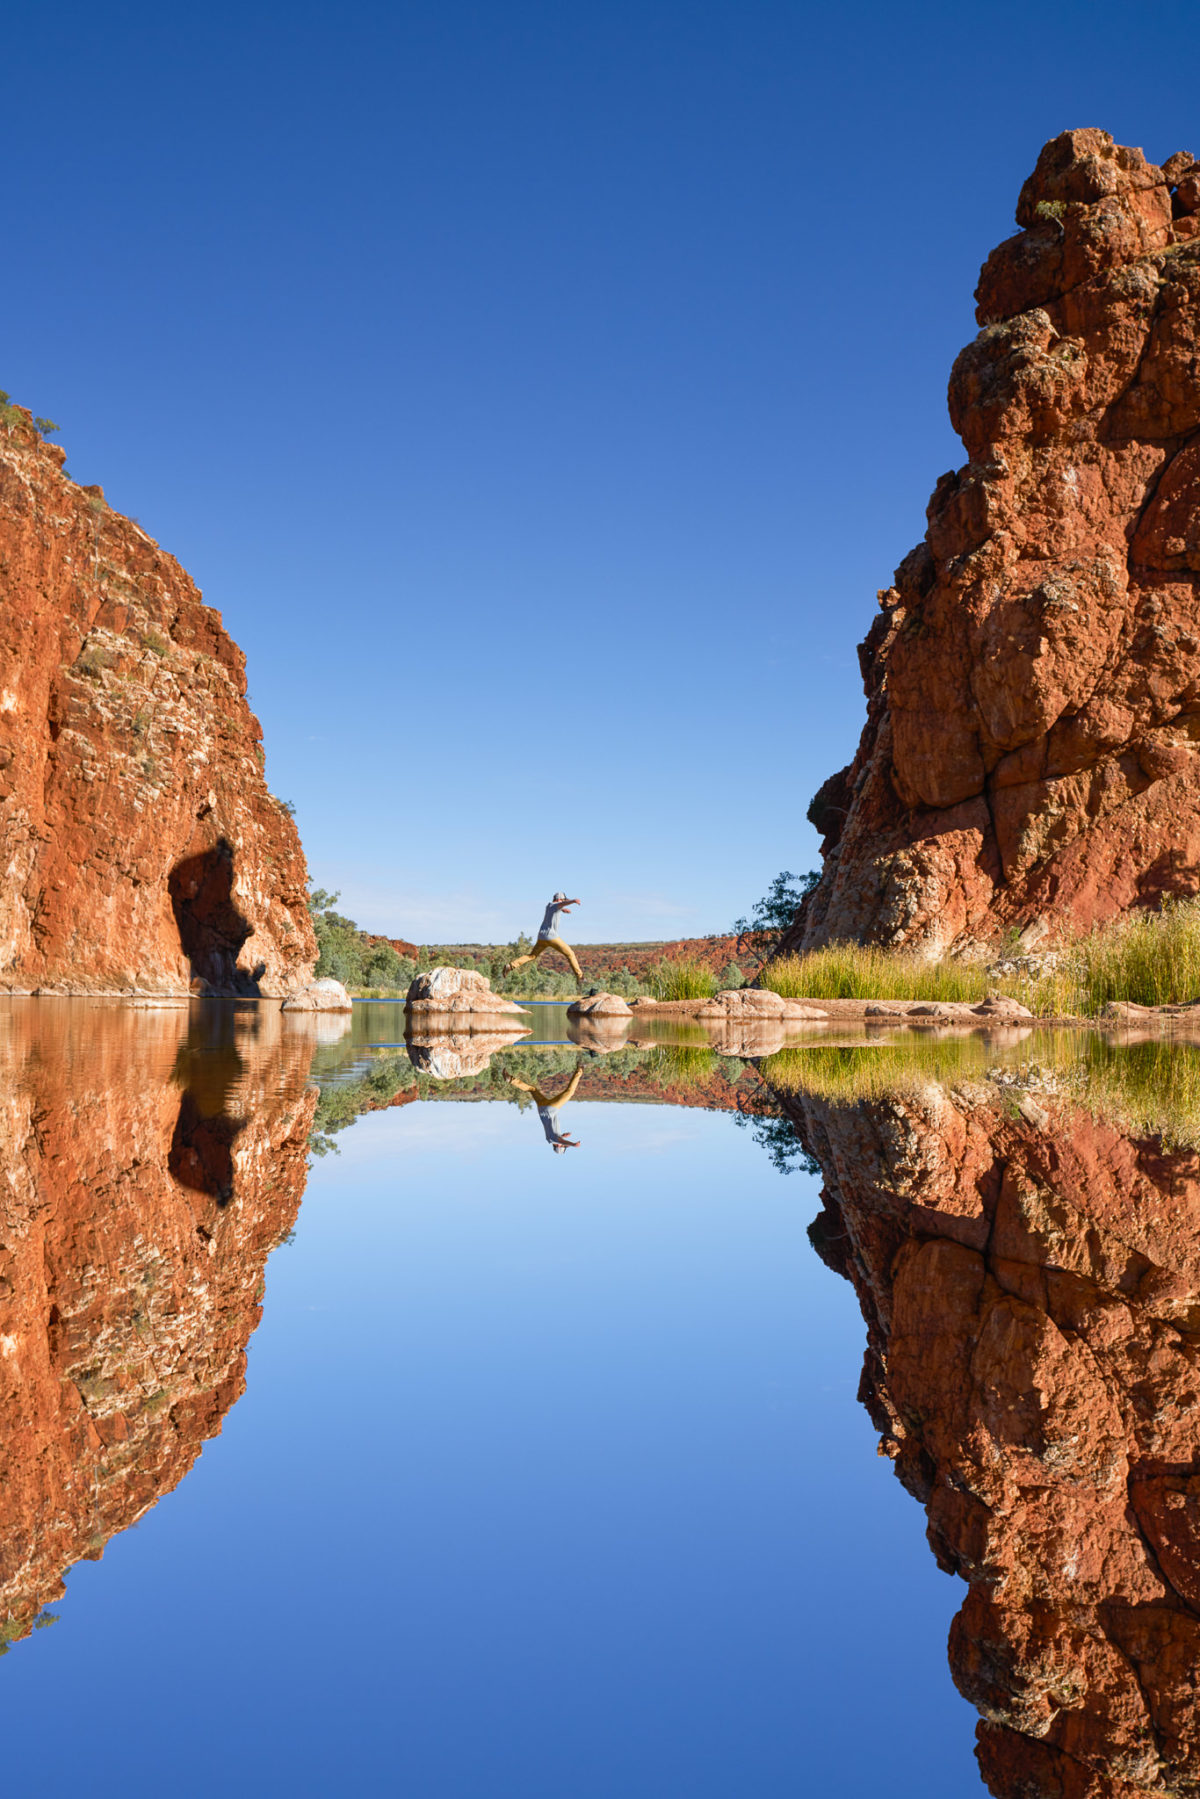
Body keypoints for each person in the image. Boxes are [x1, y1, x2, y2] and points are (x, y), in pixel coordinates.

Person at [504, 891, 583, 981]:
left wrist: (563, 910)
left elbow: (558, 906)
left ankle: (510, 966)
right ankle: (580, 977)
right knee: (570, 954)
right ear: (559, 899)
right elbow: (562, 903)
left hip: (541, 937)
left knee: (532, 956)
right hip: (552, 937)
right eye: (563, 901)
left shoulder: (549, 906)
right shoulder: (557, 905)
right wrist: (573, 901)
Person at [506, 1063, 583, 1152]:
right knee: (532, 1089)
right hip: (541, 1107)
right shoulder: (550, 1138)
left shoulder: (553, 1140)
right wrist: (563, 1136)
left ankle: (580, 1068)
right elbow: (559, 1138)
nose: (564, 1145)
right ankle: (511, 1080)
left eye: (563, 1146)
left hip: (551, 1109)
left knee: (569, 1092)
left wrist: (573, 1144)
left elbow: (560, 1141)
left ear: (559, 1146)